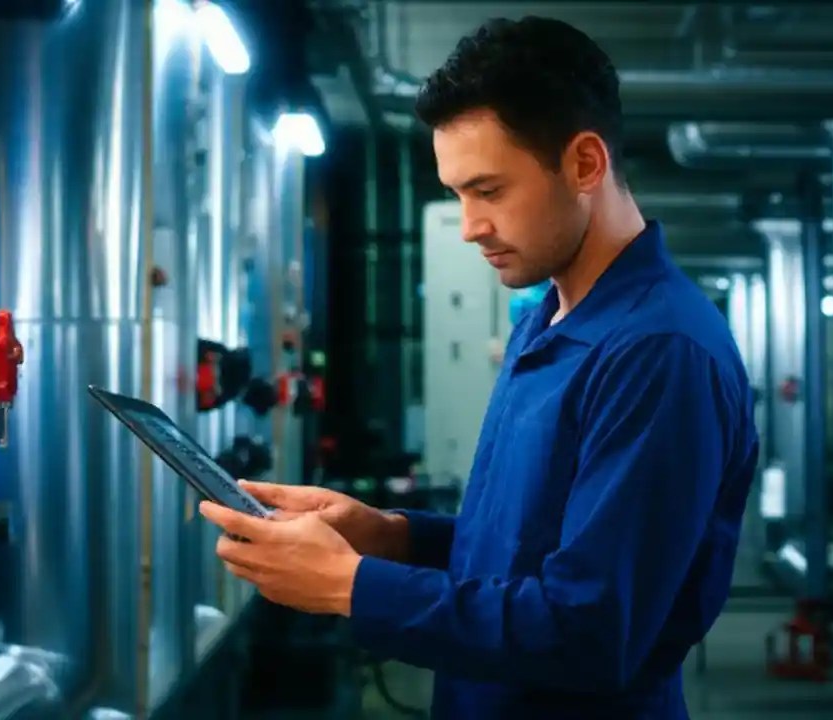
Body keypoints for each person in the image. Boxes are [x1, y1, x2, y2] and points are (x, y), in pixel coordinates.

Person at [199, 15, 759, 720]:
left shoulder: (658, 352)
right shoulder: (544, 323)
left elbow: (591, 630)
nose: (469, 226)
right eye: (457, 194)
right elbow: (525, 549)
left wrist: (352, 587)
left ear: (584, 164)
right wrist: (389, 537)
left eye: (489, 191)